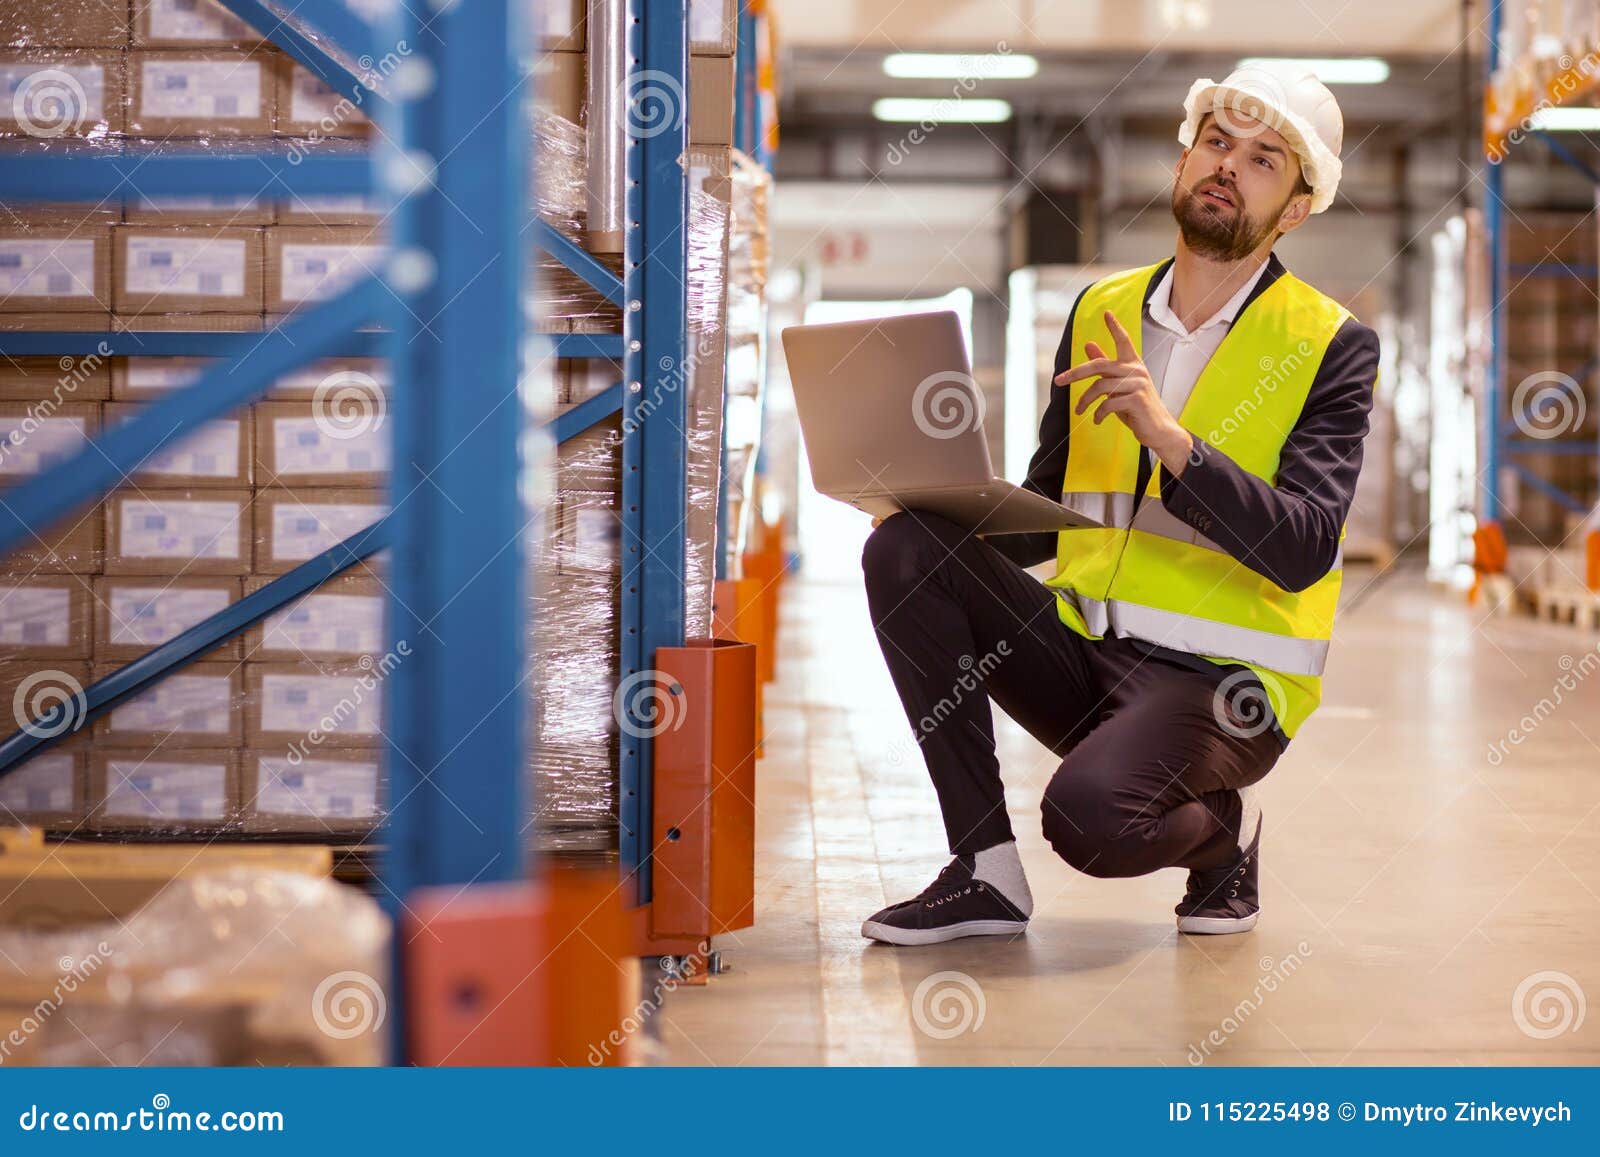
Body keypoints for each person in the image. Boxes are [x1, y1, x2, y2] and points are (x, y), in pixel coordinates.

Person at [860, 62, 1380, 945]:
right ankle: (984, 872)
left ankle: (1220, 844)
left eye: (1261, 161)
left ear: (1295, 208)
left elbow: (1304, 547)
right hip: (1087, 647)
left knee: (1091, 821)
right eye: (1216, 143)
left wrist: (1173, 443)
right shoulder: (1101, 307)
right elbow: (1050, 510)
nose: (1227, 166)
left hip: (1225, 688)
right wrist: (933, 507)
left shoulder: (1329, 343)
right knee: (906, 550)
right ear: (1182, 163)